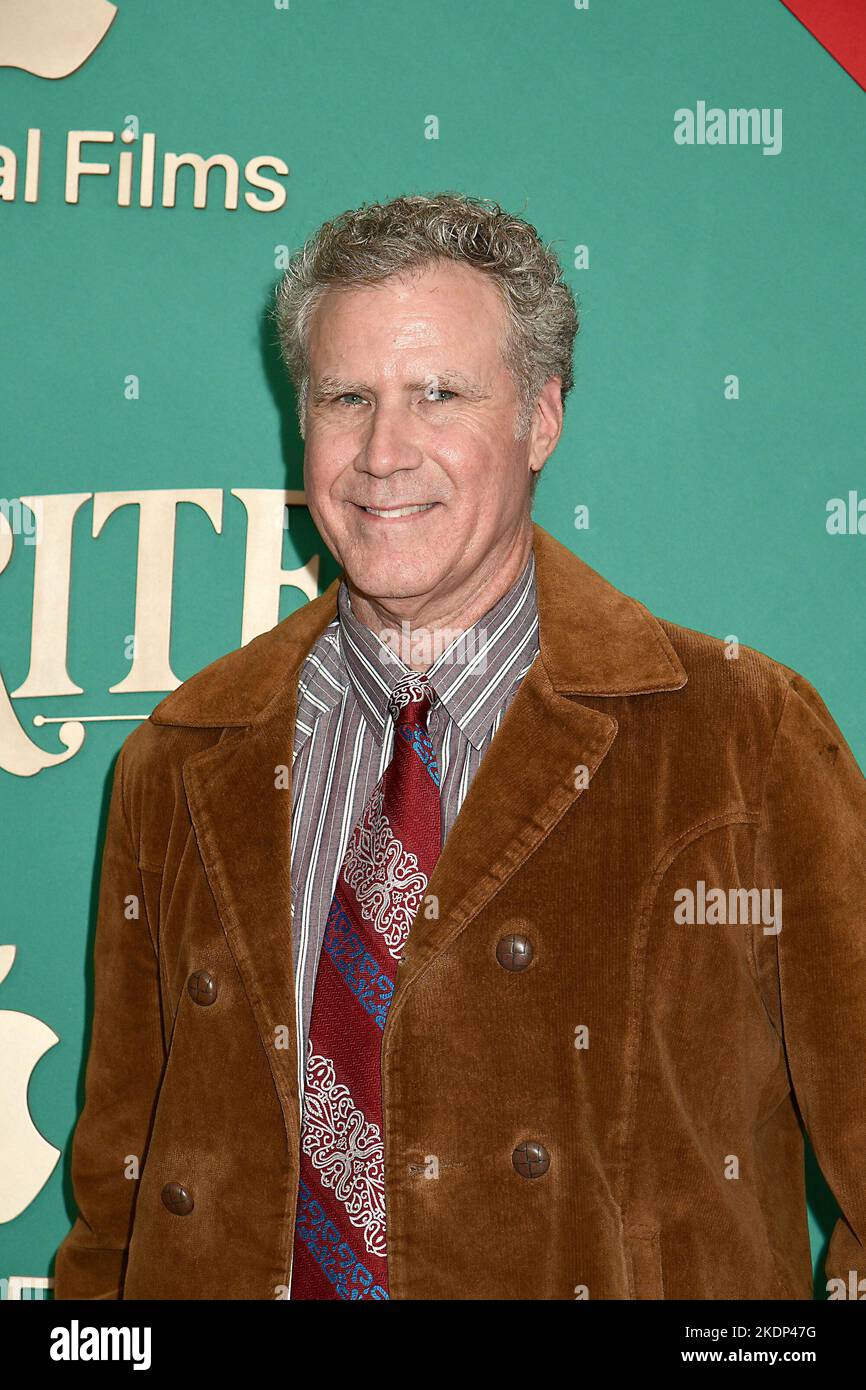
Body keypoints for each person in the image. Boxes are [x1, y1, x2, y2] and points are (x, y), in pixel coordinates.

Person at [55, 192, 866, 1300]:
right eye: (347, 397)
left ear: (539, 418)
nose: (383, 453)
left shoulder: (741, 740)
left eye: (439, 394)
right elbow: (119, 1194)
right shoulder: (184, 753)